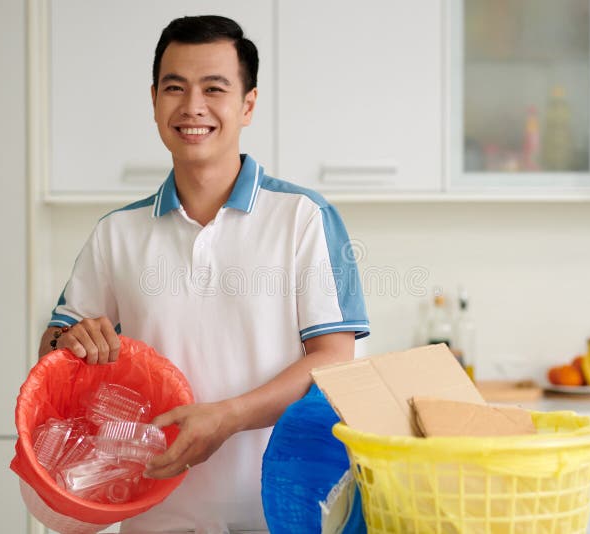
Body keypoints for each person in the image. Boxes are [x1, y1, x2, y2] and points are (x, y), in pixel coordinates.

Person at [39, 15, 369, 532]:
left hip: (279, 516)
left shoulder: (303, 217)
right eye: (175, 87)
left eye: (214, 88)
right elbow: (56, 355)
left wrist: (227, 417)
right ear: (154, 101)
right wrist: (68, 340)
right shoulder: (116, 234)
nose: (192, 106)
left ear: (248, 104)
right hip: (154, 516)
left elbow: (334, 361)